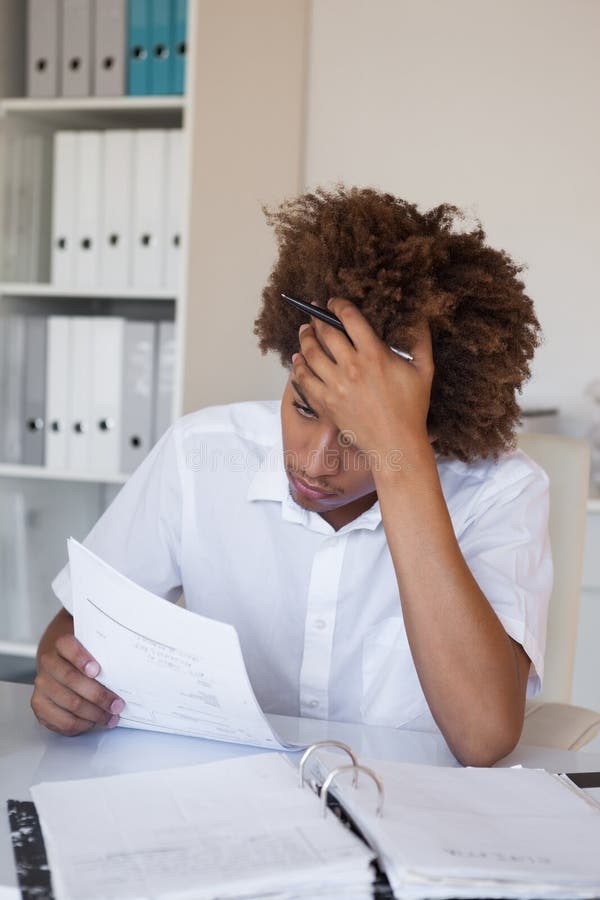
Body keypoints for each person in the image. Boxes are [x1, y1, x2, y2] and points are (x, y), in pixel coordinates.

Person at [31, 186, 552, 767]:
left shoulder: (502, 492)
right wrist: (64, 680)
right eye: (304, 408)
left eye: (357, 438)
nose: (314, 462)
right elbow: (78, 625)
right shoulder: (200, 453)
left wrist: (399, 456)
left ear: (431, 432)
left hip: (414, 819)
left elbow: (483, 736)